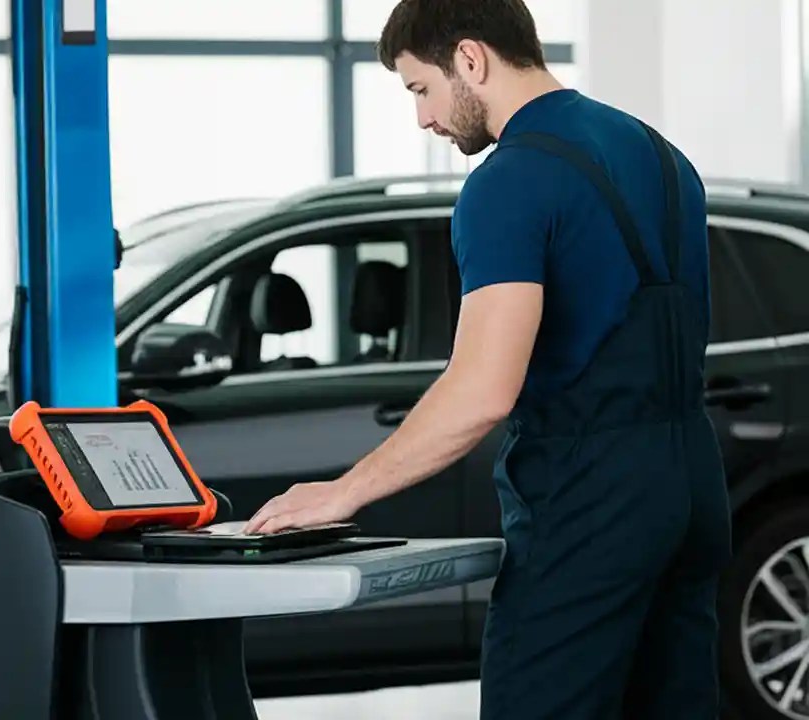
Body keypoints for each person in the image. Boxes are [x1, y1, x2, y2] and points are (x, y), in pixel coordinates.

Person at [241, 0, 731, 717]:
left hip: (589, 498)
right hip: (693, 482)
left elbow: (482, 391)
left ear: (470, 59)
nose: (424, 119)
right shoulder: (661, 155)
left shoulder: (508, 181)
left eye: (420, 89)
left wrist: (344, 492)